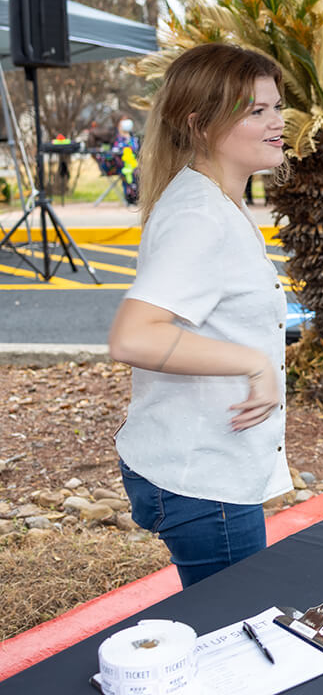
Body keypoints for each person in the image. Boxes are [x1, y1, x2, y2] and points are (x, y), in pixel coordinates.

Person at [108, 43, 291, 588]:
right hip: (203, 479)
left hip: (208, 469)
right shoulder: (200, 216)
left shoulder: (213, 202)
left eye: (277, 106)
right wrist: (255, 363)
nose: (277, 122)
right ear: (200, 123)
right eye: (256, 111)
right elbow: (133, 336)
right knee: (234, 634)